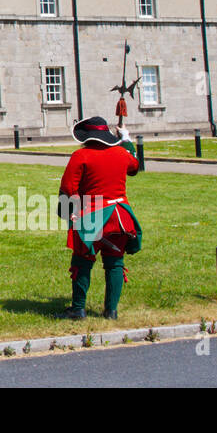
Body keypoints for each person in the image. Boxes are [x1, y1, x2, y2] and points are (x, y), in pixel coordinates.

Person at [57, 116, 143, 321]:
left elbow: (69, 187)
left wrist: (71, 209)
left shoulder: (81, 156)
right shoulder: (122, 153)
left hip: (93, 215)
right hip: (120, 216)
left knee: (82, 261)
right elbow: (135, 165)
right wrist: (125, 137)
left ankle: (78, 309)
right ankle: (111, 311)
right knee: (114, 262)